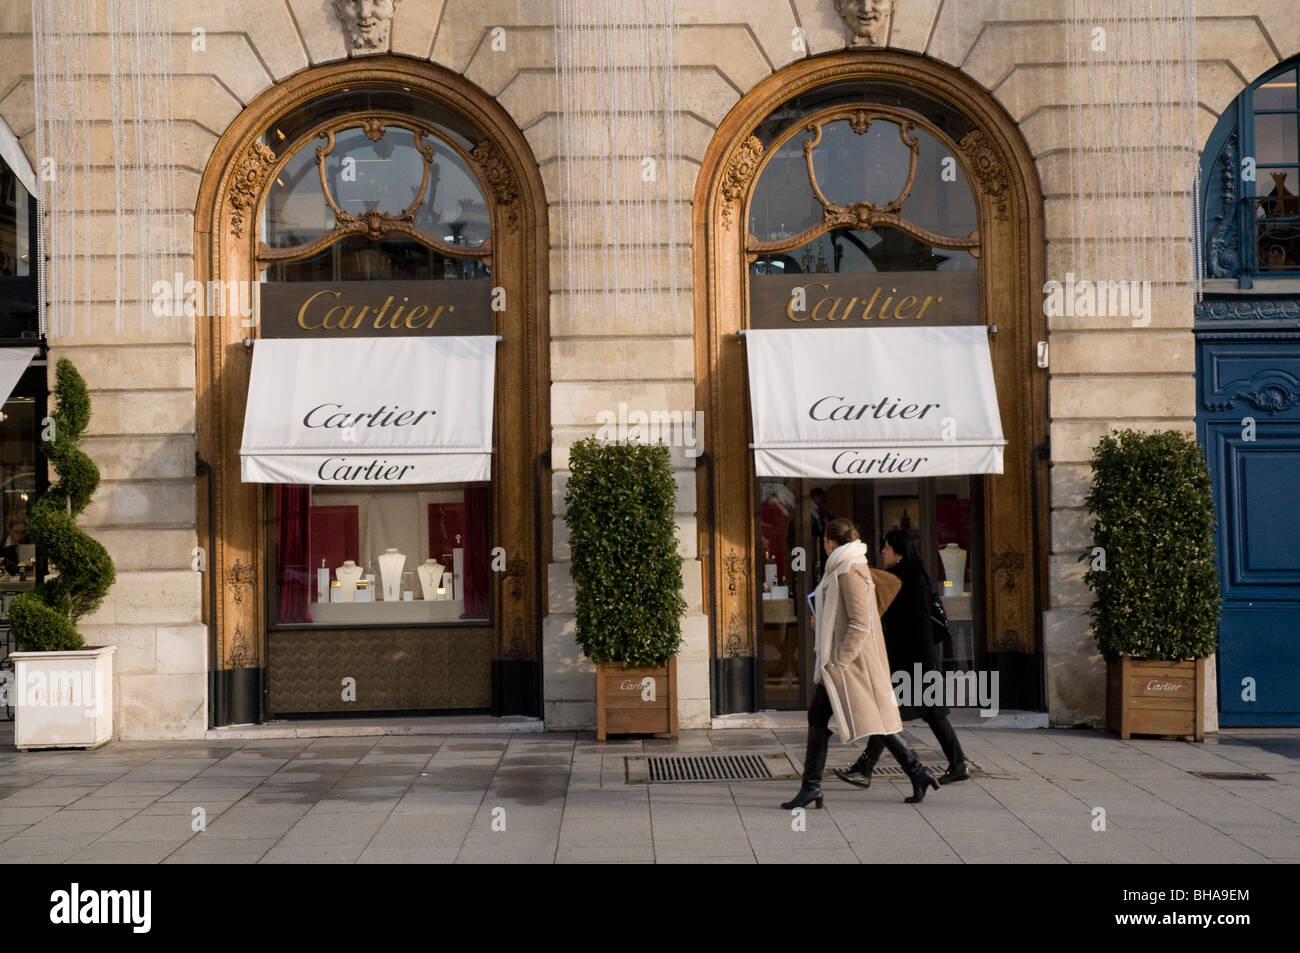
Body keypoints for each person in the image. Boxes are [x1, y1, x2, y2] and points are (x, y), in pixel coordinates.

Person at [781, 518, 940, 809]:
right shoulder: (844, 567)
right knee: (849, 718)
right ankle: (917, 772)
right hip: (847, 663)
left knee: (849, 718)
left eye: (825, 542)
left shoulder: (850, 571)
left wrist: (840, 662)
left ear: (830, 542)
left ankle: (812, 787)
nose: (825, 546)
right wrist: (824, 621)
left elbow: (859, 623)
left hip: (851, 664)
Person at [835, 529, 970, 788]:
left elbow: (909, 624)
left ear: (899, 552)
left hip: (909, 660)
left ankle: (865, 768)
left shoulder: (903, 579)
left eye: (886, 547)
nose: (883, 551)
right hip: (918, 658)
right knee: (929, 714)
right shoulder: (912, 575)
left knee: (887, 714)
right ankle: (958, 763)